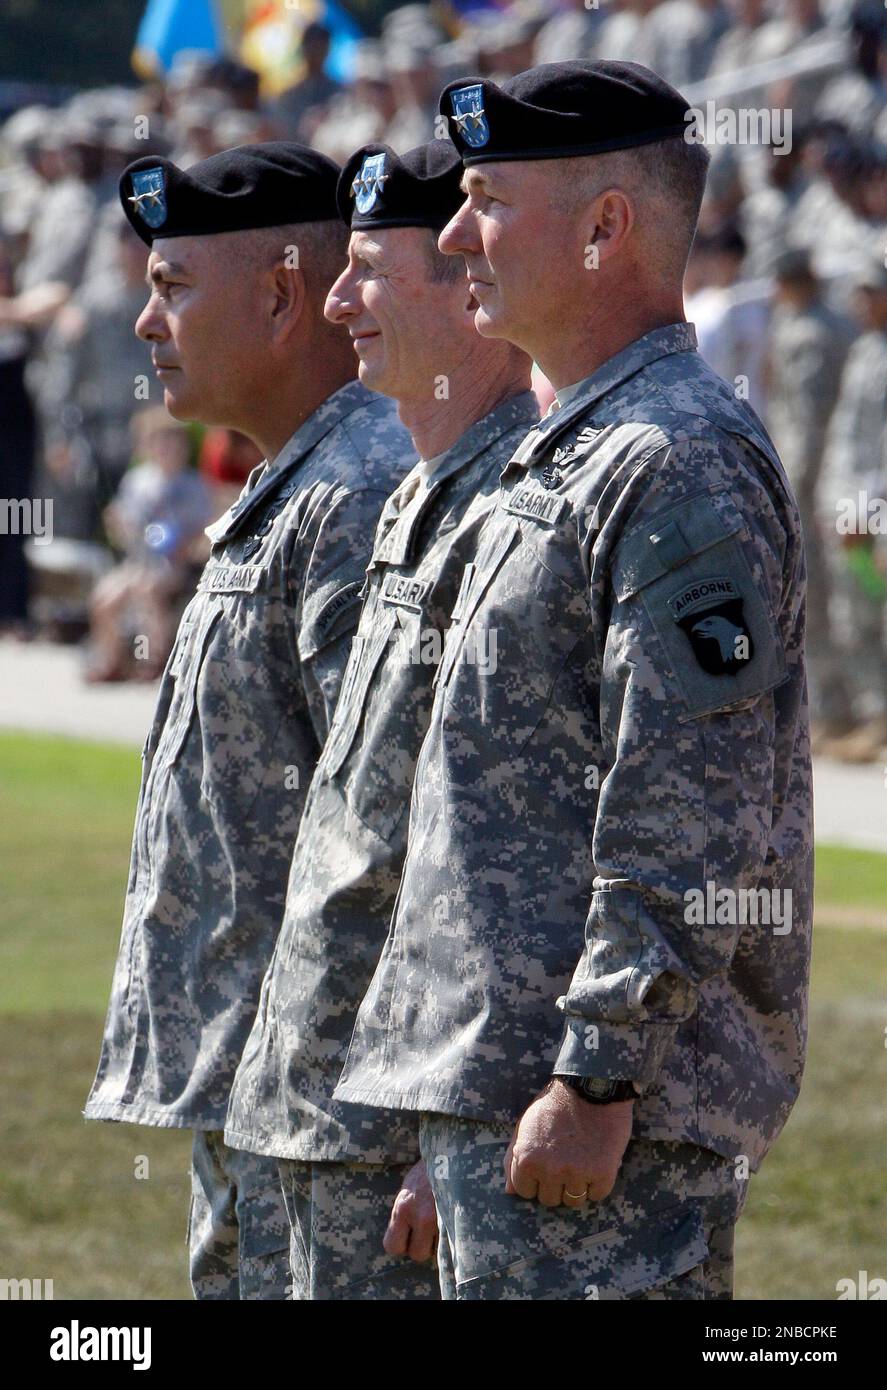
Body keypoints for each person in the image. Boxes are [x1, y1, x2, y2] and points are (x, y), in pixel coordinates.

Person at [334, 61, 813, 1301]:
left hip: (605, 1138)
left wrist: (597, 1075)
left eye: (486, 199)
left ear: (605, 227)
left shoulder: (674, 460)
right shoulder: (573, 448)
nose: (450, 235)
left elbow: (690, 803)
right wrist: (453, 1105)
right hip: (509, 1112)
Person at [83, 143, 413, 1299]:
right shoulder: (297, 485)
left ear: (279, 293)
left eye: (172, 287)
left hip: (333, 1112)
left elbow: (403, 830)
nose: (143, 321)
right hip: (256, 1087)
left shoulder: (358, 494)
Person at [223, 139, 538, 1300]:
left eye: (364, 269)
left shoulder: (518, 502)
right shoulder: (416, 489)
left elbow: (510, 844)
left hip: (398, 1119)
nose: (339, 301)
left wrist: (444, 1128)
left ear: (464, 284)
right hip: (315, 1098)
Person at [764, 248, 857, 745]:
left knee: (817, 598)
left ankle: (843, 710)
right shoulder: (830, 324)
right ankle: (841, 710)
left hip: (815, 484)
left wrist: (792, 495)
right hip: (832, 482)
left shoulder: (810, 334)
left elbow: (808, 426)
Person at [85, 408, 210, 682]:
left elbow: (202, 530)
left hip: (174, 564)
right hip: (138, 562)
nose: (167, 449)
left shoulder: (193, 484)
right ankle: (112, 659)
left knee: (149, 591)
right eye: (160, 442)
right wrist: (118, 524)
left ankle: (155, 661)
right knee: (105, 597)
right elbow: (122, 528)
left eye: (173, 442)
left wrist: (185, 544)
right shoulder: (137, 481)